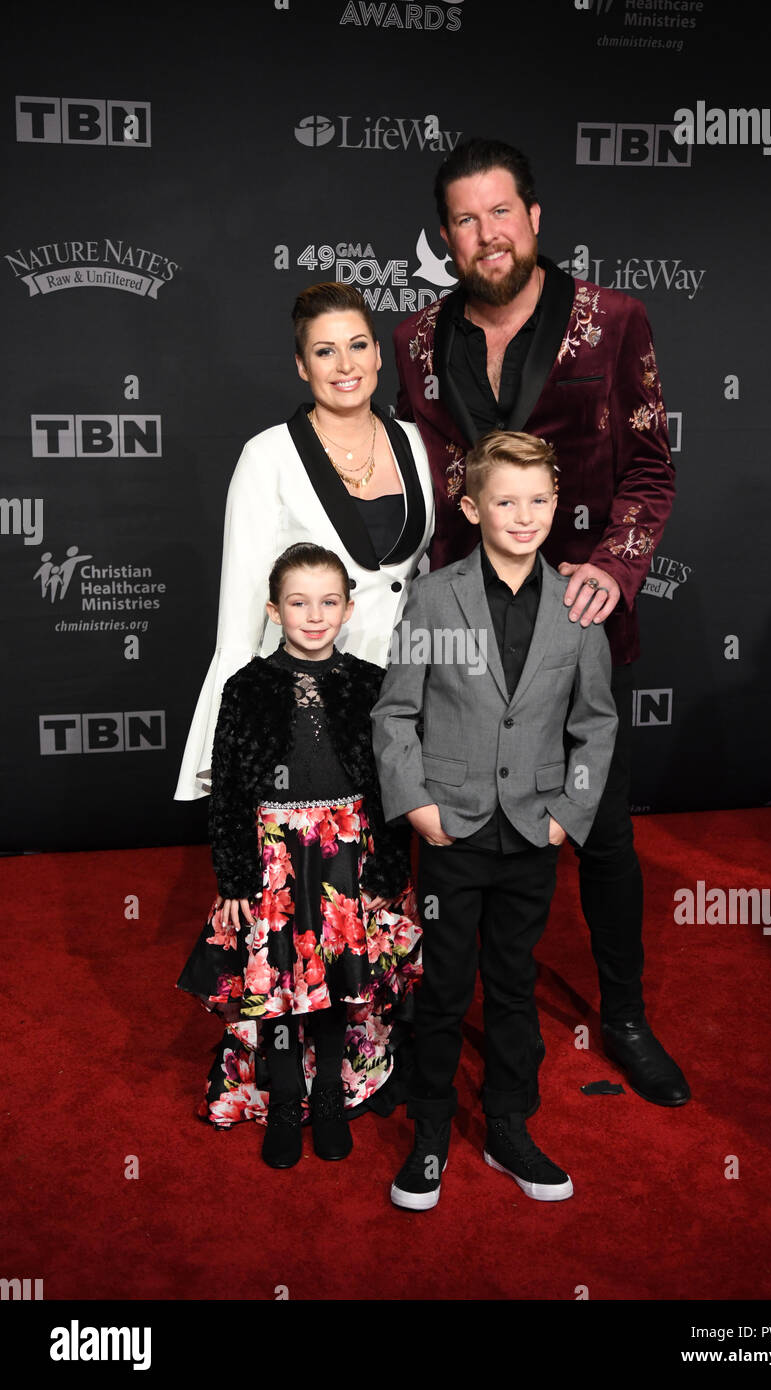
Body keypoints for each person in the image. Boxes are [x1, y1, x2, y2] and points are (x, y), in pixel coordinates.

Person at [393, 137, 689, 1108]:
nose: (486, 234)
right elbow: (427, 489)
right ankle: (432, 1014)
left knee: (599, 833)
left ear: (533, 217)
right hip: (455, 636)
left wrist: (612, 567)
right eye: (465, 219)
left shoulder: (612, 321)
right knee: (449, 836)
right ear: (445, 236)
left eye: (500, 213)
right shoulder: (411, 340)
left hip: (574, 632)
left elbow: (649, 467)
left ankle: (626, 1015)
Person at [372, 431, 618, 1209]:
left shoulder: (579, 605)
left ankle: (510, 1123)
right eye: (505, 501)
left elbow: (597, 723)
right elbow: (396, 709)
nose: (524, 515)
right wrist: (416, 803)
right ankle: (433, 1129)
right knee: (444, 985)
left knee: (513, 984)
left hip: (532, 834)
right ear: (473, 506)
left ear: (555, 504)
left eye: (538, 500)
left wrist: (567, 814)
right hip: (452, 831)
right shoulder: (437, 595)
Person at [177, 543, 421, 1167]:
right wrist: (234, 878)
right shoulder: (247, 688)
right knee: (281, 989)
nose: (314, 615)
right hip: (276, 866)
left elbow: (390, 785)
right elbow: (228, 791)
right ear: (273, 609)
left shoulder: (369, 683)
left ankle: (332, 1099)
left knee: (341, 985)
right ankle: (286, 1101)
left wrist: (388, 869)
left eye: (328, 602)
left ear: (347, 608)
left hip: (347, 860)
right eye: (298, 602)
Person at [175, 281, 435, 802]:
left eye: (358, 345)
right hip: (304, 697)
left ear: (379, 354)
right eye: (324, 351)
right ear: (301, 365)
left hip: (403, 693)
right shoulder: (265, 457)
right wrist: (235, 742)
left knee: (384, 863)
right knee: (310, 863)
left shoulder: (417, 441)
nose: (345, 365)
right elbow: (242, 608)